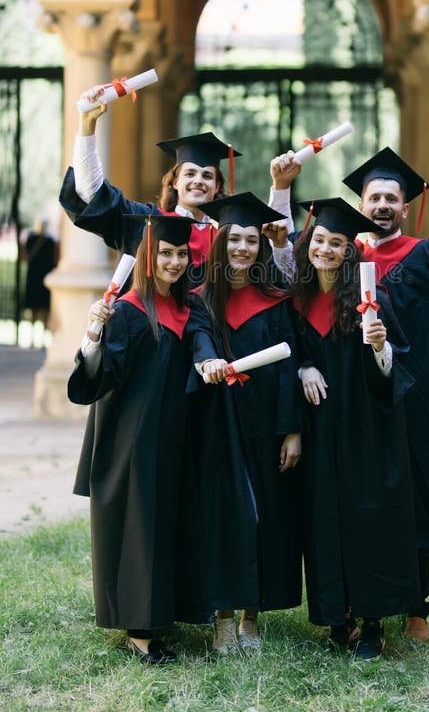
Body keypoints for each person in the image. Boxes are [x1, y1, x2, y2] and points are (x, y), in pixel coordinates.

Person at [266, 147, 429, 642]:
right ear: (361, 204)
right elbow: (287, 269)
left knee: (412, 498)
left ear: (405, 207)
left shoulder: (425, 255)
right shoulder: (343, 254)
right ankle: (359, 604)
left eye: (392, 197)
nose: (382, 204)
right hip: (352, 406)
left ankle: (415, 607)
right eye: (374, 197)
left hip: (415, 398)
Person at [68, 214, 210, 664]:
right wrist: (93, 333)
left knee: (168, 524)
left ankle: (162, 614)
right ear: (149, 257)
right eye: (165, 253)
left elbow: (202, 348)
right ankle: (140, 632)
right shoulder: (128, 311)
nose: (173, 261)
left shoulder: (190, 309)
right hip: (133, 440)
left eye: (180, 254)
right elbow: (98, 378)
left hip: (174, 438)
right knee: (140, 528)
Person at [290, 197, 420, 662]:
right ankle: (336, 615)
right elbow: (290, 350)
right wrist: (304, 366)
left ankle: (371, 623)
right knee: (325, 514)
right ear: (309, 243)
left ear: (350, 251)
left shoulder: (371, 299)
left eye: (337, 243)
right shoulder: (298, 298)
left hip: (365, 427)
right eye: (319, 240)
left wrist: (379, 346)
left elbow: (392, 367)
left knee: (367, 516)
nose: (325, 249)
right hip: (321, 426)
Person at [187, 192, 303, 654]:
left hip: (263, 424)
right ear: (220, 242)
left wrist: (292, 429)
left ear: (260, 246)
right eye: (234, 238)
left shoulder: (274, 301)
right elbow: (197, 339)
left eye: (251, 240)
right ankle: (222, 617)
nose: (242, 248)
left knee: (264, 517)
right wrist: (208, 359)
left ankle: (251, 619)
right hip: (219, 425)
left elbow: (290, 367)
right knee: (222, 517)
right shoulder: (202, 300)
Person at [59, 89, 241, 275]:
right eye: (190, 174)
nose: (198, 181)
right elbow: (93, 193)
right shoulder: (146, 223)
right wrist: (87, 126)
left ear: (217, 186)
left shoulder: (226, 238)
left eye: (207, 176)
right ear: (175, 182)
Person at [19, 218, 59, 346]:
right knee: (40, 310)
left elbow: (23, 257)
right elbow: (56, 259)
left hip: (35, 278)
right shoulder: (49, 241)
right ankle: (37, 340)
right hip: (40, 278)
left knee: (38, 310)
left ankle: (36, 340)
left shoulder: (34, 240)